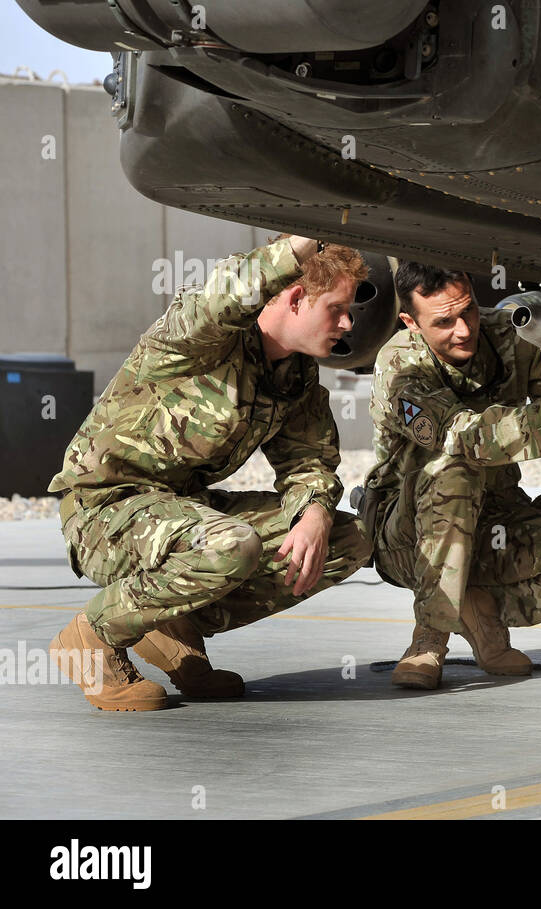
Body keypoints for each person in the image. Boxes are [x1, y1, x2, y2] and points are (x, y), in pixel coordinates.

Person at [48, 235, 373, 711]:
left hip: (178, 513)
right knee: (231, 545)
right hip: (104, 512)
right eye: (337, 308)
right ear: (296, 297)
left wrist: (317, 513)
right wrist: (304, 238)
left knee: (349, 538)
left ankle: (172, 626)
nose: (346, 324)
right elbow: (223, 292)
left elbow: (309, 461)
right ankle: (93, 636)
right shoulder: (202, 338)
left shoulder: (296, 377)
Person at [362, 263, 541, 690]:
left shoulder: (507, 335)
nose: (463, 330)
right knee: (453, 470)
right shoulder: (400, 365)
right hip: (406, 536)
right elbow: (461, 438)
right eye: (443, 322)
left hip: (492, 521)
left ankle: (479, 608)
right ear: (411, 322)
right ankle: (429, 638)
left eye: (469, 312)